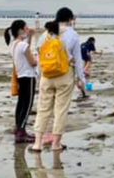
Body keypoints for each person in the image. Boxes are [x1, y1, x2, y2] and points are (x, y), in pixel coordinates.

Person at [31, 8, 86, 153]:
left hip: (47, 76)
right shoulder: (72, 34)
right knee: (60, 110)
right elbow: (78, 59)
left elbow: (39, 57)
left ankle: (37, 143)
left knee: (43, 109)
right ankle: (56, 144)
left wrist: (39, 75)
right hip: (64, 74)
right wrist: (81, 79)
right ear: (69, 19)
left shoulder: (45, 35)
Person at [5, 20, 37, 143]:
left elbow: (25, 49)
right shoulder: (23, 45)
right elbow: (32, 62)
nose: (27, 30)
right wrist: (39, 60)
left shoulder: (13, 44)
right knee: (27, 105)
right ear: (20, 30)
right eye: (26, 28)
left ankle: (18, 128)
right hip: (28, 77)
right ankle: (21, 132)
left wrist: (30, 37)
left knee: (21, 104)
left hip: (20, 76)